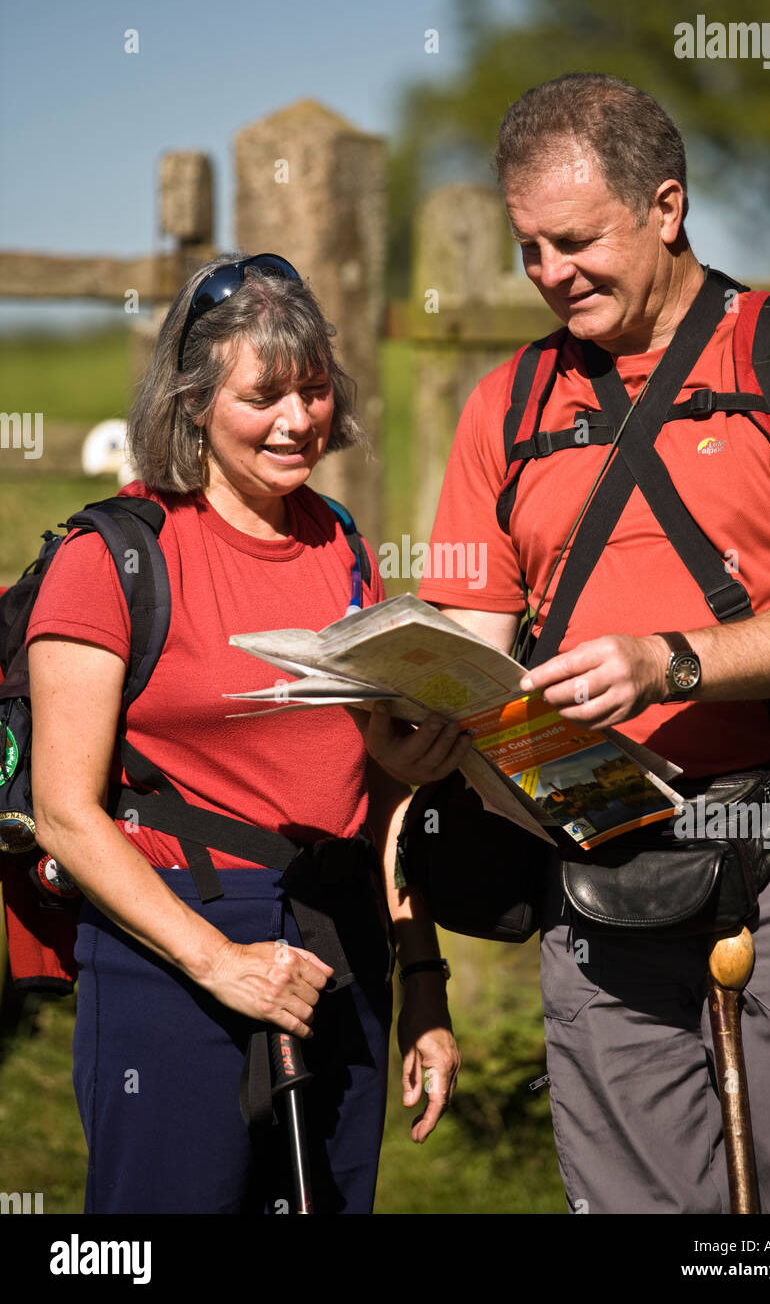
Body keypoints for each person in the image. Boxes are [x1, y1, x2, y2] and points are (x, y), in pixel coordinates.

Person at [410, 73, 770, 1214]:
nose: (550, 274)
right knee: (634, 1205)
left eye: (574, 240)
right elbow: (469, 646)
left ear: (664, 208)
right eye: (528, 249)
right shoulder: (502, 407)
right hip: (595, 842)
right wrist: (417, 720)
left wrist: (667, 660)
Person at [27, 252, 462, 1215]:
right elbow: (64, 813)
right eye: (263, 395)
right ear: (192, 404)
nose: (298, 420)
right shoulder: (114, 557)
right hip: (174, 947)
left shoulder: (340, 540)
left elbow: (382, 792)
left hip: (338, 943)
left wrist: (422, 979)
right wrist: (221, 964)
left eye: (313, 390)